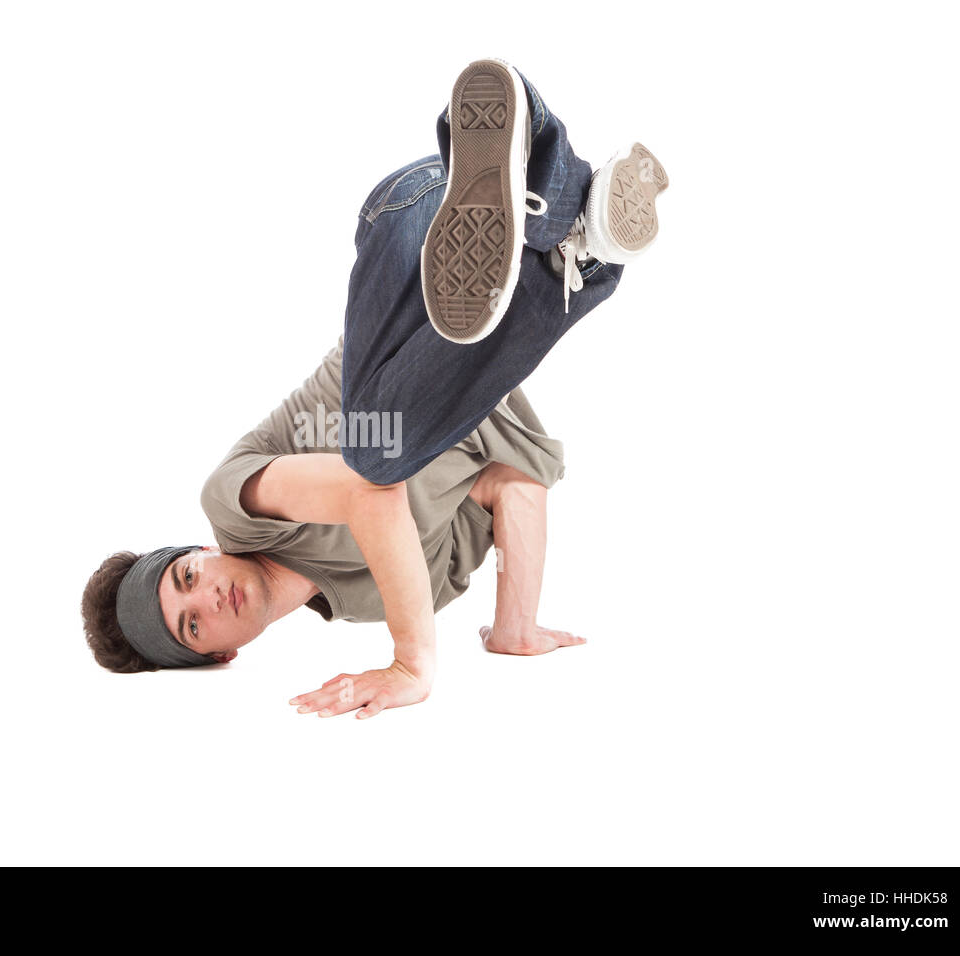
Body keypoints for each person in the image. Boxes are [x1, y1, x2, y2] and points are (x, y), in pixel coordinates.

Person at [81, 58, 668, 719]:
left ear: (199, 552)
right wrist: (515, 627)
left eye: (187, 577)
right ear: (220, 656)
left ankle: (557, 217)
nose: (209, 597)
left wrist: (413, 660)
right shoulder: (369, 602)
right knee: (547, 298)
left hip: (404, 258)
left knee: (375, 448)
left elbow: (370, 494)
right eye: (192, 624)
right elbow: (514, 488)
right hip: (495, 335)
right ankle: (566, 209)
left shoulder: (234, 505)